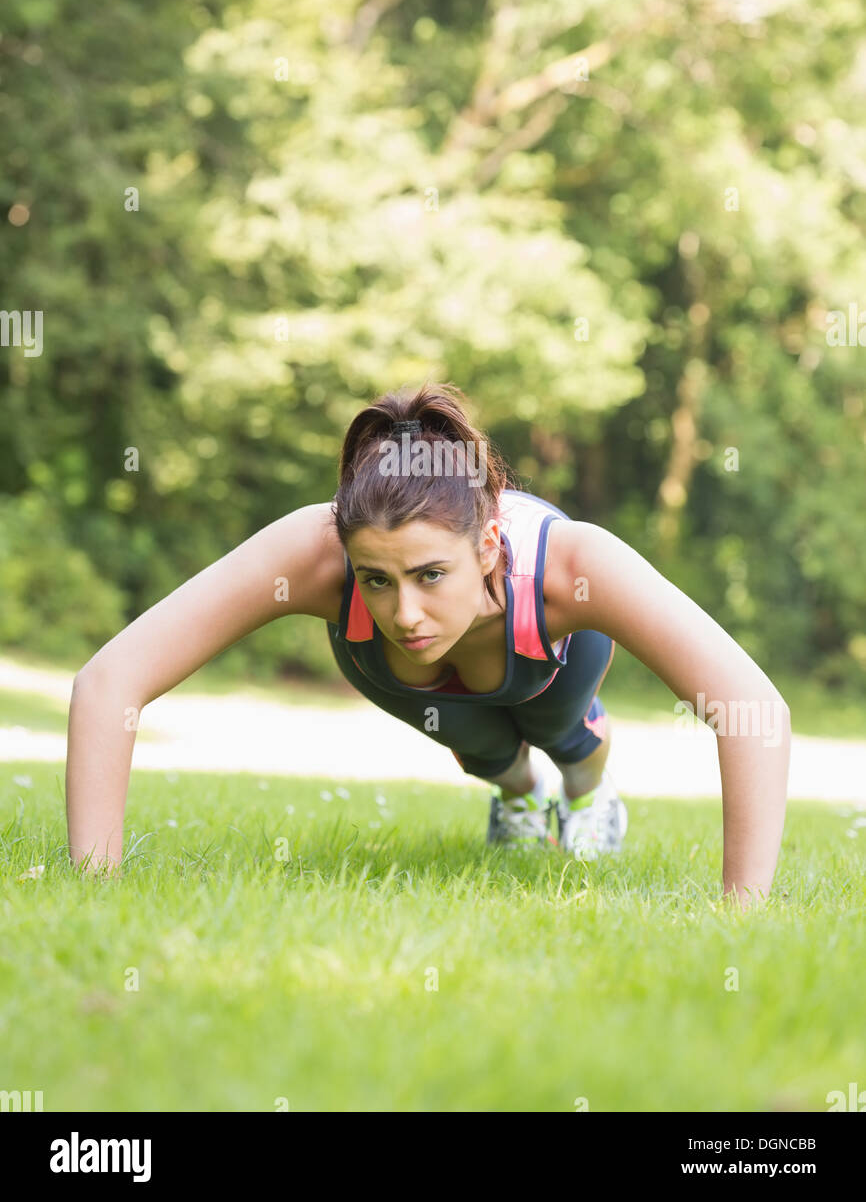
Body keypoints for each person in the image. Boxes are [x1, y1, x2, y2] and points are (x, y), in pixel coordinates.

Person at [67, 380, 790, 906]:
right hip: (408, 683)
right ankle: (521, 796)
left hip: (549, 663)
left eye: (430, 574)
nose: (405, 611)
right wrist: (95, 887)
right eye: (376, 579)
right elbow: (109, 683)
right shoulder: (313, 553)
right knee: (488, 752)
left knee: (561, 731)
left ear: (487, 546)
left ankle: (587, 793)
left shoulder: (575, 567)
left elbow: (752, 707)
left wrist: (741, 916)